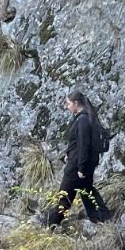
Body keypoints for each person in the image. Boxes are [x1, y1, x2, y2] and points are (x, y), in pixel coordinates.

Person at [47, 91, 113, 227]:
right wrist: (68, 154)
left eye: (69, 103)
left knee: (65, 196)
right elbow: (77, 143)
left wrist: (81, 167)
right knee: (87, 191)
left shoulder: (82, 120)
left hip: (77, 166)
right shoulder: (86, 117)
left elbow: (84, 145)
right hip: (82, 162)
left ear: (76, 103)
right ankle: (103, 217)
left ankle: (50, 223)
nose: (67, 106)